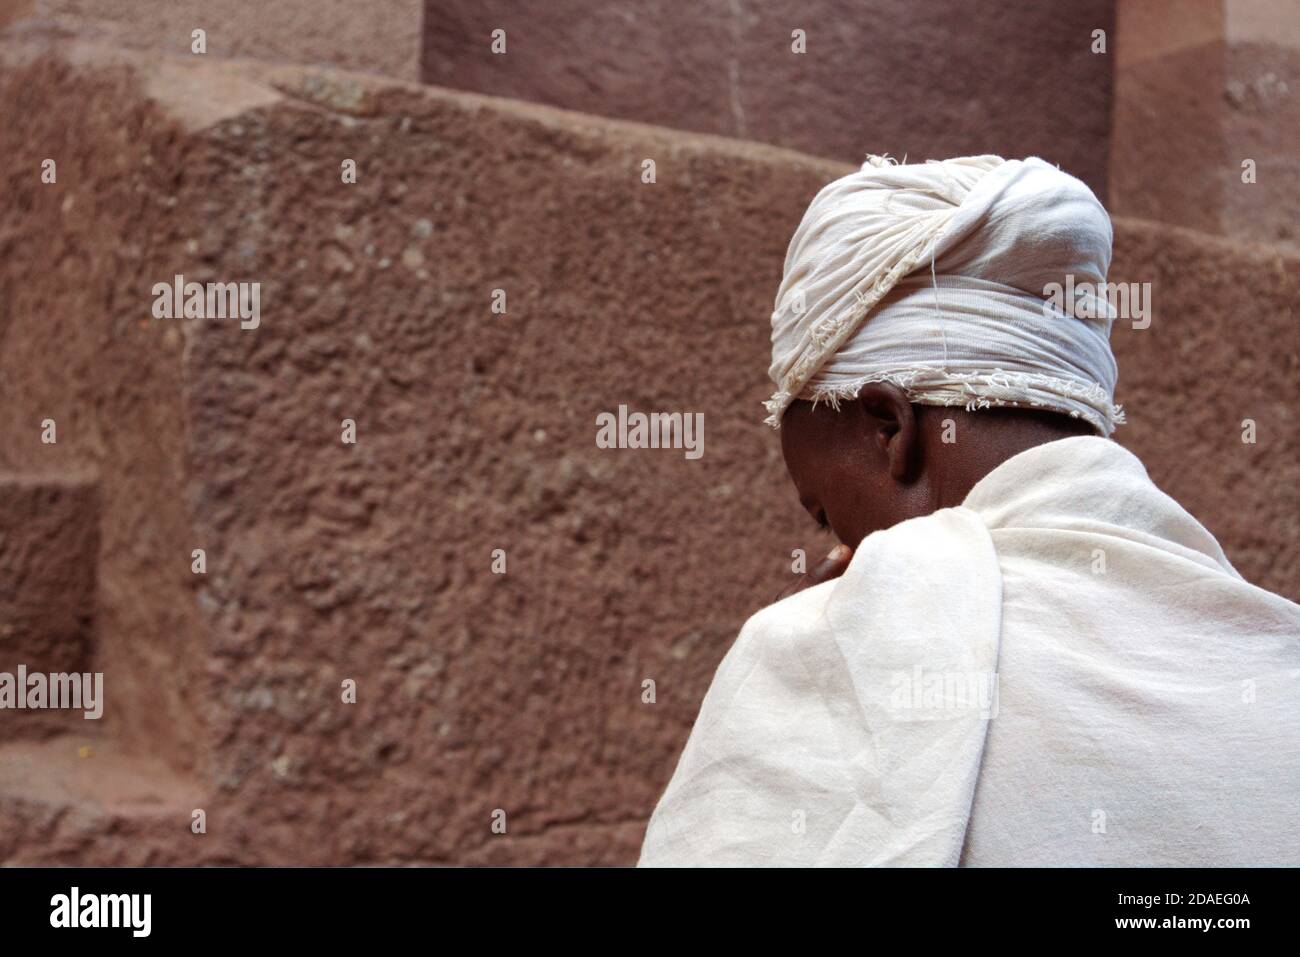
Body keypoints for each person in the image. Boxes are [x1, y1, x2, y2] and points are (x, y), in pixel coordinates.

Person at [639, 155, 1300, 866]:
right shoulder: (1271, 654)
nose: (839, 556)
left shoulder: (817, 657)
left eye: (826, 515)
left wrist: (826, 652)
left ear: (889, 428)